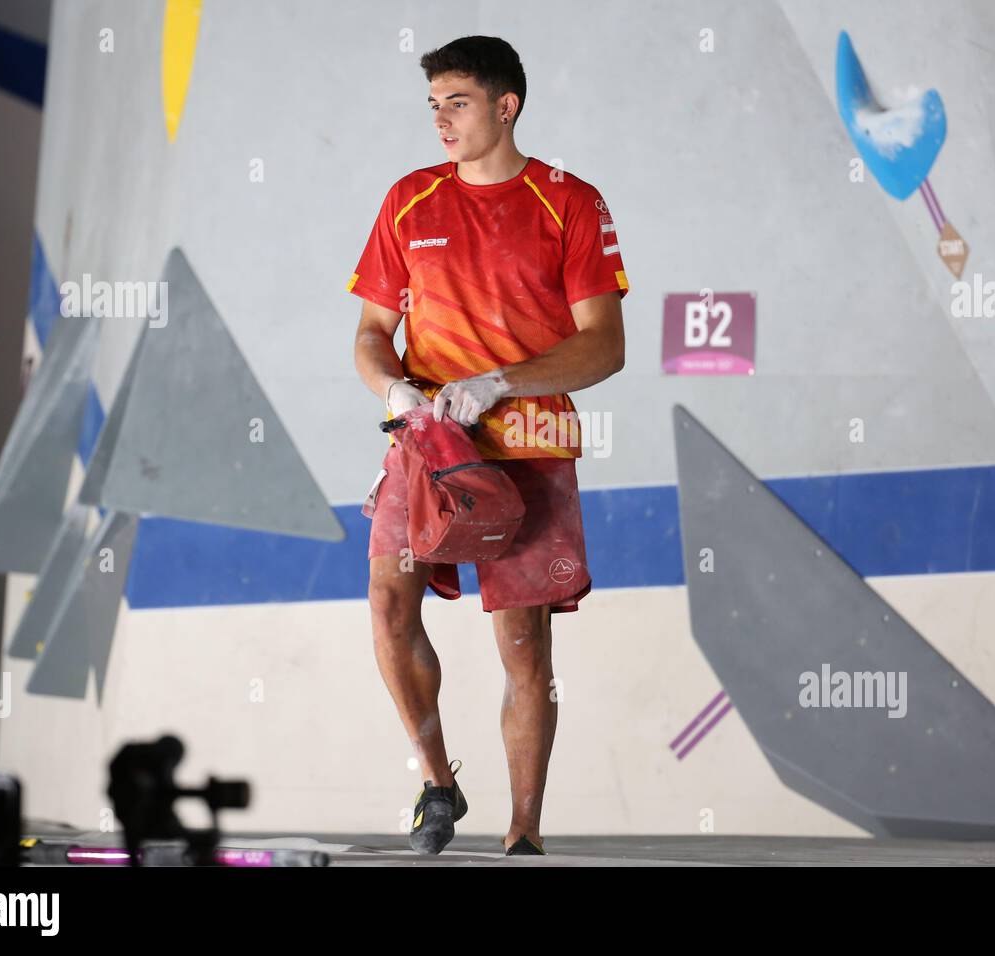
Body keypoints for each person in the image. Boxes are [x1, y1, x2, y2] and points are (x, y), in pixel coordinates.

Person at [348, 35, 629, 856]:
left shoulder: (569, 202)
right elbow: (370, 333)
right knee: (388, 603)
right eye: (433, 103)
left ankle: (524, 834)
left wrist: (503, 381)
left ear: (506, 107)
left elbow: (604, 345)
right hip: (429, 446)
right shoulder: (408, 200)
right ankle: (439, 785)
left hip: (527, 443)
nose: (440, 119)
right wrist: (396, 390)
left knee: (522, 644)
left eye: (458, 102)